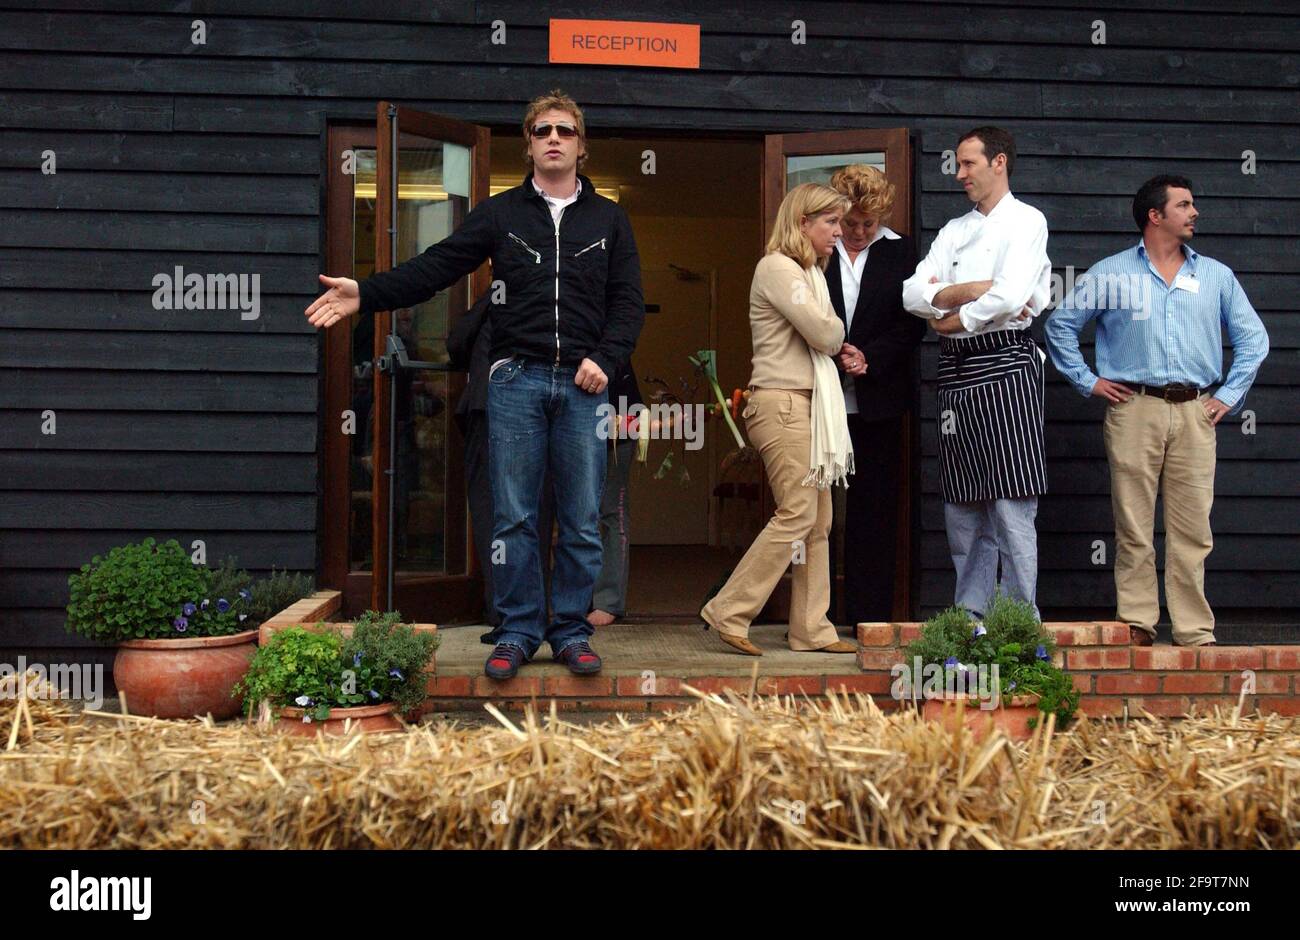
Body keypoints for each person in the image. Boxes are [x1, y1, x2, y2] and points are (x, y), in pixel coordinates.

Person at [306, 89, 644, 680]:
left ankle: (569, 631)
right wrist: (366, 294)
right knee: (512, 517)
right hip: (514, 380)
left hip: (584, 387)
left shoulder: (610, 219)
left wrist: (607, 360)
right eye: (542, 131)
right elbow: (436, 266)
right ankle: (516, 629)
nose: (554, 139)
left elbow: (628, 304)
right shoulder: (502, 214)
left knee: (583, 517)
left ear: (582, 146)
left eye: (565, 130)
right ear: (531, 144)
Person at [1045, 175, 1268, 648]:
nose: (1194, 212)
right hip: (1134, 409)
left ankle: (1193, 629)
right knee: (1133, 522)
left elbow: (1255, 339)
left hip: (1195, 411)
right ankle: (1138, 623)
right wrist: (1090, 381)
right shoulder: (1111, 274)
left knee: (1193, 526)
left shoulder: (1216, 276)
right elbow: (1061, 326)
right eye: (1184, 205)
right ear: (1155, 215)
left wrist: (1227, 396)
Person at [700, 183, 858, 656]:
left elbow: (827, 332)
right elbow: (825, 331)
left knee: (819, 521)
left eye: (840, 221)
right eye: (830, 222)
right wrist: (832, 333)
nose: (839, 231)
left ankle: (811, 627)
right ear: (802, 223)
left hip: (807, 406)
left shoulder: (808, 273)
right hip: (783, 404)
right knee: (798, 512)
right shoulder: (778, 268)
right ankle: (729, 609)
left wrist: (831, 333)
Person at [902, 126, 1052, 622]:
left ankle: (1017, 618)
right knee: (963, 502)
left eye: (968, 164)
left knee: (1010, 499)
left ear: (999, 162)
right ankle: (971, 617)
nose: (959, 174)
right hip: (956, 370)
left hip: (1009, 362)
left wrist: (952, 315)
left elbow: (1013, 297)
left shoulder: (1027, 222)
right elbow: (911, 295)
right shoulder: (953, 230)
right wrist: (971, 292)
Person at [825, 164, 924, 627]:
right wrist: (835, 351)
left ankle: (870, 619)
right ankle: (817, 617)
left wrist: (870, 357)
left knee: (874, 512)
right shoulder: (816, 249)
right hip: (821, 397)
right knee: (816, 512)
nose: (859, 232)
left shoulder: (902, 252)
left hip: (879, 401)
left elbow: (911, 323)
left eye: (868, 224)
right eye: (850, 223)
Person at [445, 293, 553, 641]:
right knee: (535, 511)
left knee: (494, 513)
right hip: (536, 414)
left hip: (492, 410)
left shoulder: (496, 299)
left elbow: (457, 344)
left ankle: (507, 616)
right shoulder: (547, 297)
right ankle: (533, 613)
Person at [589, 359, 642, 627]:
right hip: (567, 426)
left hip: (618, 425)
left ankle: (608, 600)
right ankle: (575, 598)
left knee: (612, 509)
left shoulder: (613, 336)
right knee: (573, 513)